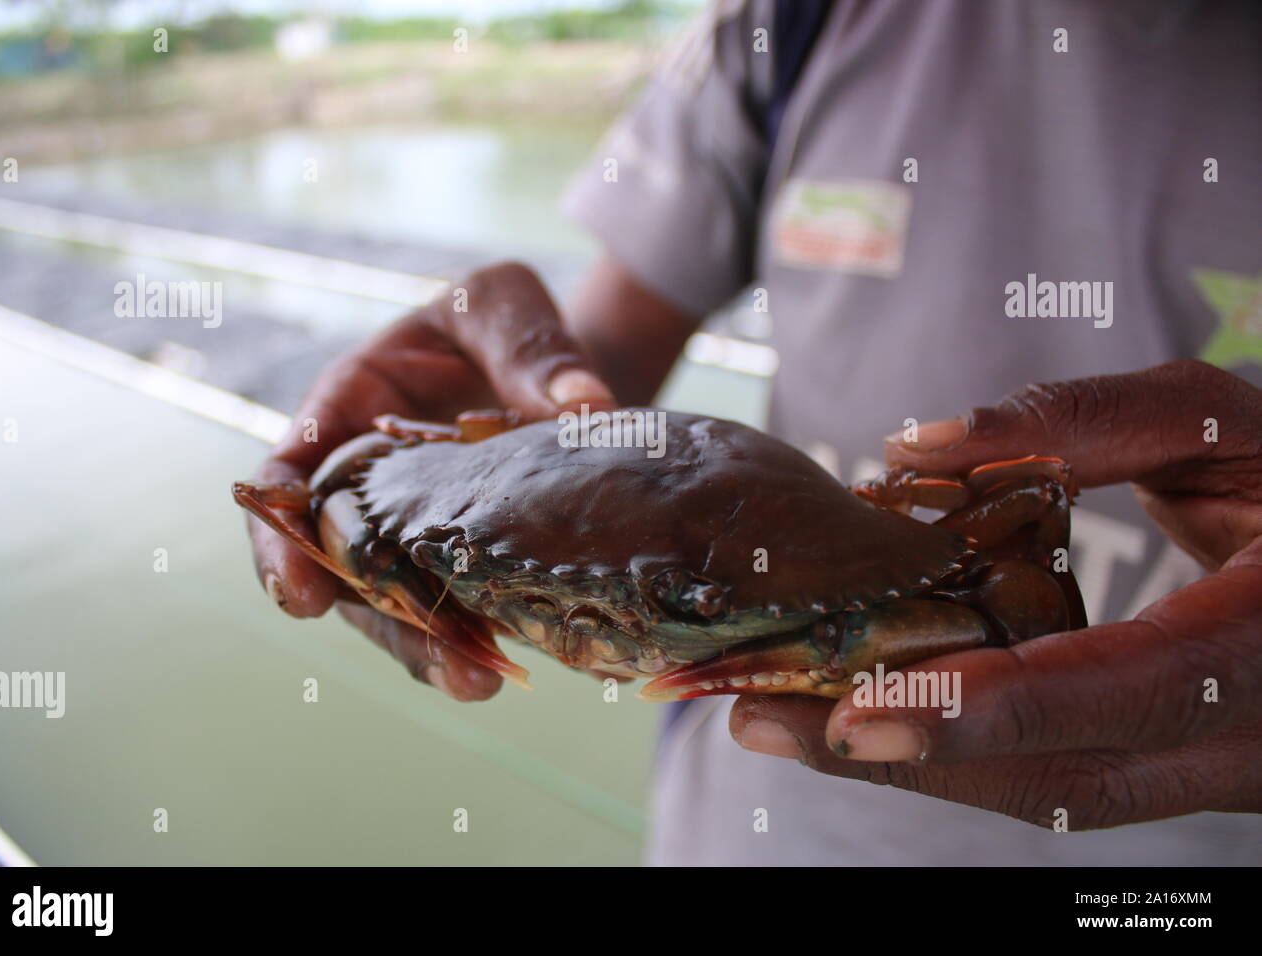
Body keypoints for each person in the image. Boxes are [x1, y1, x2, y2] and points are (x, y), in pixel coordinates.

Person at [246, 0, 1262, 864]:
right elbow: (566, 388)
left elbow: (1018, 590)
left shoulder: (962, 567)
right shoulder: (789, 20)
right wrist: (510, 393)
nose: (593, 638)